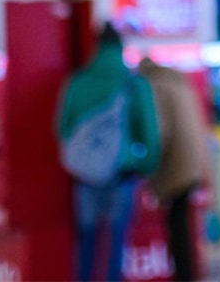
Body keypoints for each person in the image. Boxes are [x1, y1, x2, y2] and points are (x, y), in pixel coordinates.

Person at [57, 23, 162, 281]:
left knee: (86, 242)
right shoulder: (134, 84)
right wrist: (147, 165)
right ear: (121, 46)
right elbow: (149, 131)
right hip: (122, 174)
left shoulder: (77, 82)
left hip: (84, 178)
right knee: (116, 242)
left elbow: (62, 129)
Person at [138, 57, 210, 280]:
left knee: (176, 223)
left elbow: (161, 129)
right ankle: (187, 271)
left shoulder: (155, 85)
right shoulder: (179, 82)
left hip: (177, 163)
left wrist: (149, 161)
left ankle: (184, 273)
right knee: (182, 220)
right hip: (193, 161)